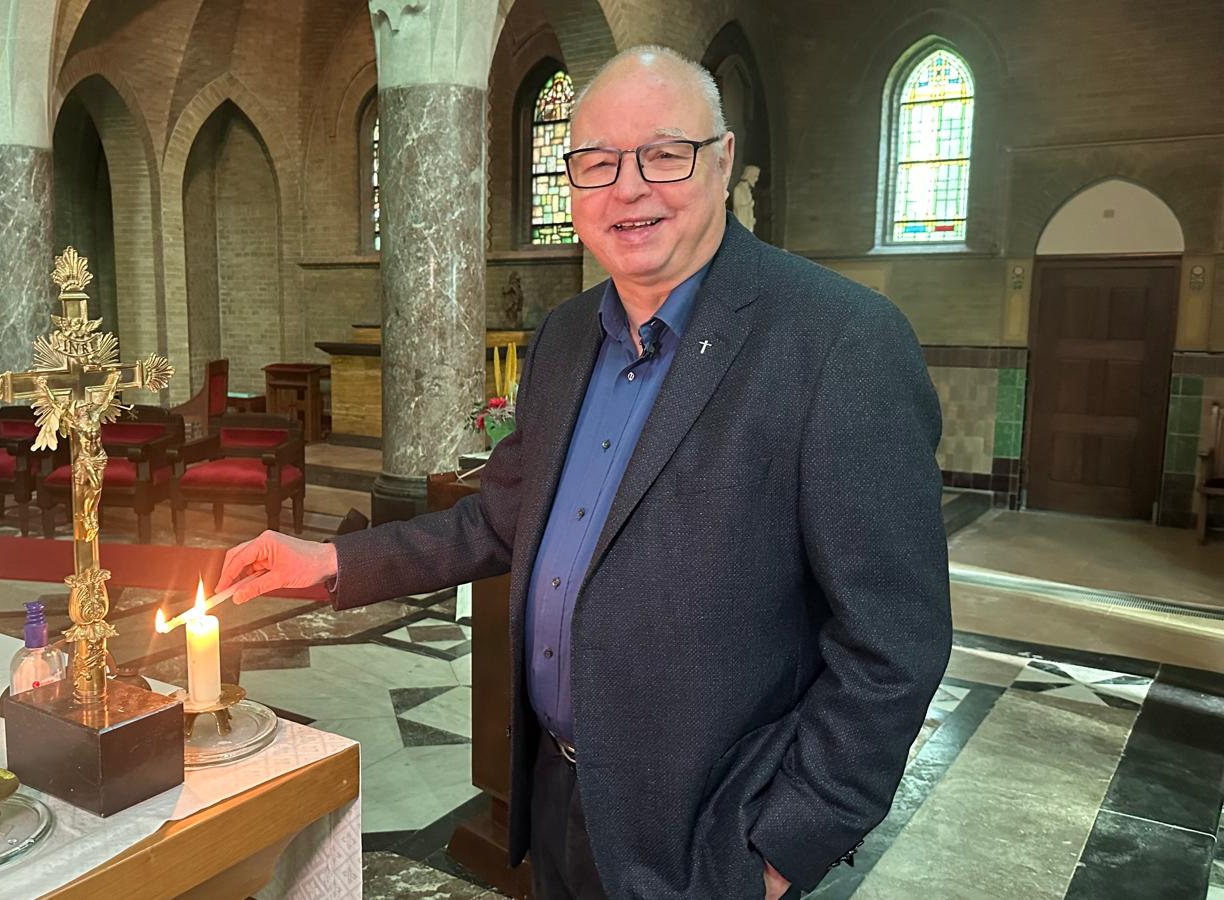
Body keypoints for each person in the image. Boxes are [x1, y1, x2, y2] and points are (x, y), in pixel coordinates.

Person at [217, 45, 950, 900]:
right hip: (557, 799)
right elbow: (499, 517)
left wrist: (784, 847)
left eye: (664, 154)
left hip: (707, 830)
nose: (627, 189)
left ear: (721, 162)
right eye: (596, 162)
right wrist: (332, 563)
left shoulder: (839, 341)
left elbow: (894, 644)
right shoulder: (567, 338)